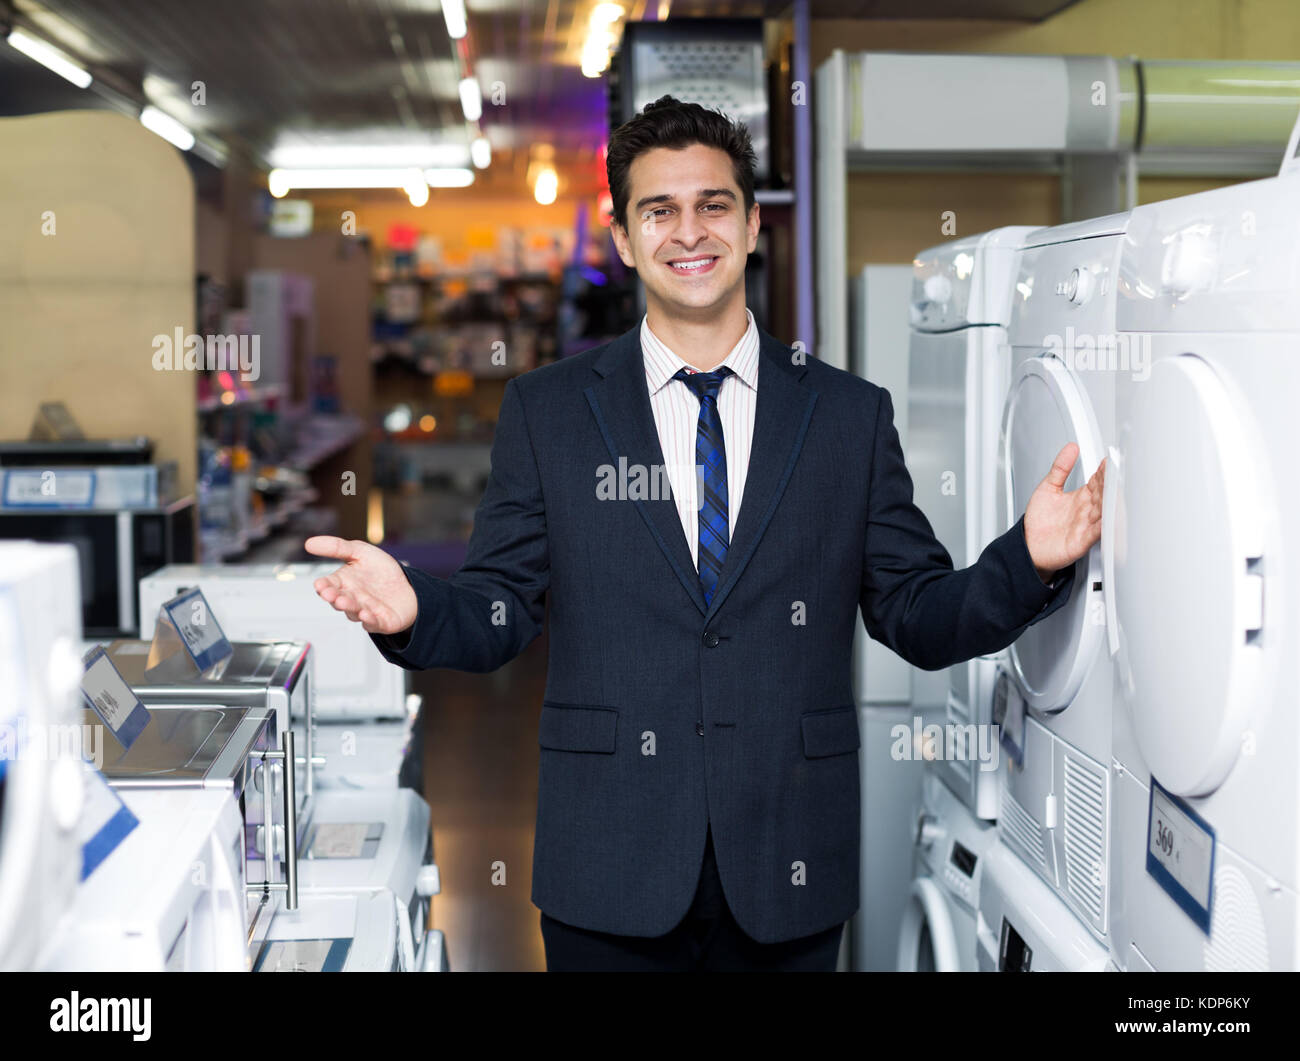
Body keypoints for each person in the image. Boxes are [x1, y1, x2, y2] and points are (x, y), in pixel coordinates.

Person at [306, 95, 1103, 972]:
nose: (690, 232)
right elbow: (501, 608)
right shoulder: (550, 413)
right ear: (623, 238)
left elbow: (916, 611)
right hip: (607, 864)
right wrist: (414, 608)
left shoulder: (845, 416)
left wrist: (1024, 559)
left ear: (754, 224)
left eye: (714, 205)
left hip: (787, 860)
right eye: (660, 210)